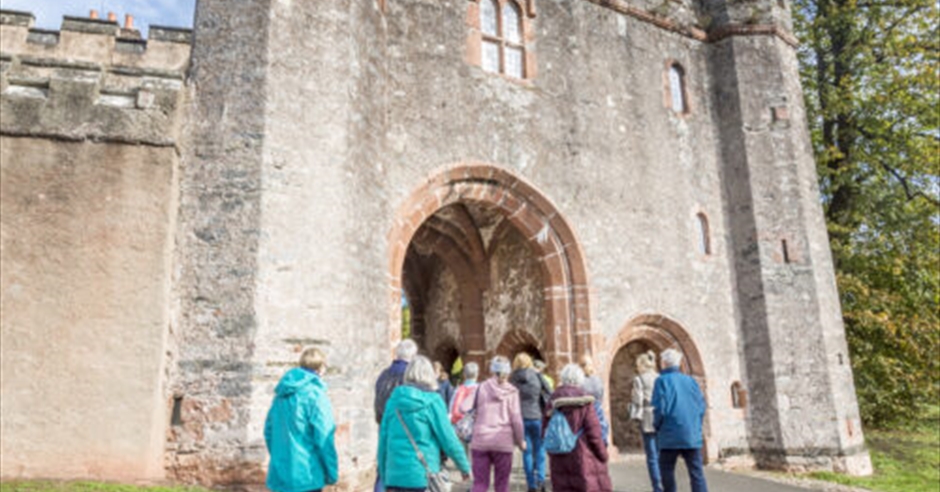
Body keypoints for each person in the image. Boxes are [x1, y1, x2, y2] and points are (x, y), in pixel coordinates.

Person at [378, 356, 471, 492]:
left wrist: (384, 477)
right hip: (422, 476)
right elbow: (448, 439)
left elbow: (383, 442)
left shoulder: (393, 401)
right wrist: (464, 467)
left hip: (395, 477)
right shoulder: (433, 401)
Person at [264, 347, 338, 492]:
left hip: (281, 476)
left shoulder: (280, 395)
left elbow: (268, 431)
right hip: (307, 475)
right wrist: (331, 473)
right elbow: (324, 437)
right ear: (320, 368)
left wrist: (279, 458)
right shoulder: (316, 396)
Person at [462, 355, 526, 492]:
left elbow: (463, 407)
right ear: (508, 372)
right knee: (502, 485)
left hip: (480, 440)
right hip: (503, 441)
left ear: (492, 370)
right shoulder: (512, 392)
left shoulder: (481, 388)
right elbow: (516, 419)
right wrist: (521, 441)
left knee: (480, 483)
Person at [544, 364, 612, 492]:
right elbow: (594, 434)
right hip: (584, 457)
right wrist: (603, 455)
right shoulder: (586, 402)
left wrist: (553, 452)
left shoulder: (552, 402)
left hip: (560, 457)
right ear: (580, 380)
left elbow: (545, 432)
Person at [652, 348, 709, 492]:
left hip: (669, 434)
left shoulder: (661, 381)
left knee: (667, 470)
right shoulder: (691, 381)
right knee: (697, 473)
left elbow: (660, 408)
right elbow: (701, 406)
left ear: (664, 363)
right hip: (691, 433)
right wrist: (696, 425)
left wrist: (656, 426)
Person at [374, 339, 418, 492]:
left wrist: (380, 419)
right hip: (405, 429)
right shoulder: (410, 377)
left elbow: (378, 401)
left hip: (384, 425)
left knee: (383, 468)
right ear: (413, 356)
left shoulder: (383, 375)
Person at [510, 353, 551, 492]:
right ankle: (540, 480)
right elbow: (549, 391)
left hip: (521, 417)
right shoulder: (536, 375)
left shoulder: (513, 377)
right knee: (540, 450)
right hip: (537, 416)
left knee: (526, 452)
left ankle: (531, 485)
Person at [631, 350, 662, 492]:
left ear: (641, 364)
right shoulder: (659, 377)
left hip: (648, 417)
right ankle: (666, 483)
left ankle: (657, 487)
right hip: (661, 416)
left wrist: (635, 414)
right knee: (662, 452)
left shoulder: (639, 379)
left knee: (651, 456)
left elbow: (637, 400)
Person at [579, 354, 610, 446]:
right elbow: (601, 395)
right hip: (597, 408)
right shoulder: (598, 379)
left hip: (585, 410)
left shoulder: (580, 381)